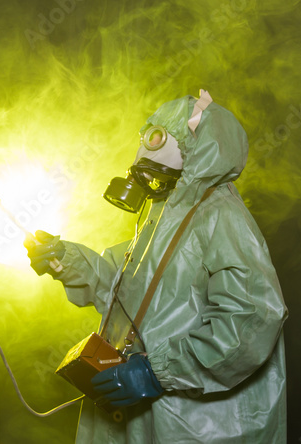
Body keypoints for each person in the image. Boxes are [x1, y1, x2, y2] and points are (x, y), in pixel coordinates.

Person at [25, 90, 287, 442]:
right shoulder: (162, 213)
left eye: (157, 137)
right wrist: (64, 258)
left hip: (194, 424)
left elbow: (253, 317)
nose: (145, 149)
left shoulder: (219, 215)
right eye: (146, 136)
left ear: (198, 145)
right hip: (140, 417)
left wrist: (158, 372)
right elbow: (122, 292)